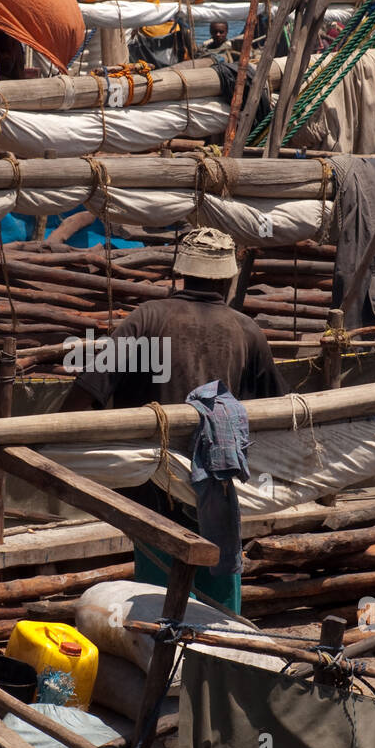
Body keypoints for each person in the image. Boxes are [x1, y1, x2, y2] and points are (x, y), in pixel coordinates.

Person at [61, 227, 286, 611]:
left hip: (154, 486)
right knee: (220, 618)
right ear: (230, 276)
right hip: (218, 489)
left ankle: (167, 665)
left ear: (180, 271)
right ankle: (219, 663)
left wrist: (60, 449)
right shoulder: (247, 331)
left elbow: (86, 395)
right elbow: (280, 413)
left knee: (159, 607)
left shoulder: (148, 320)